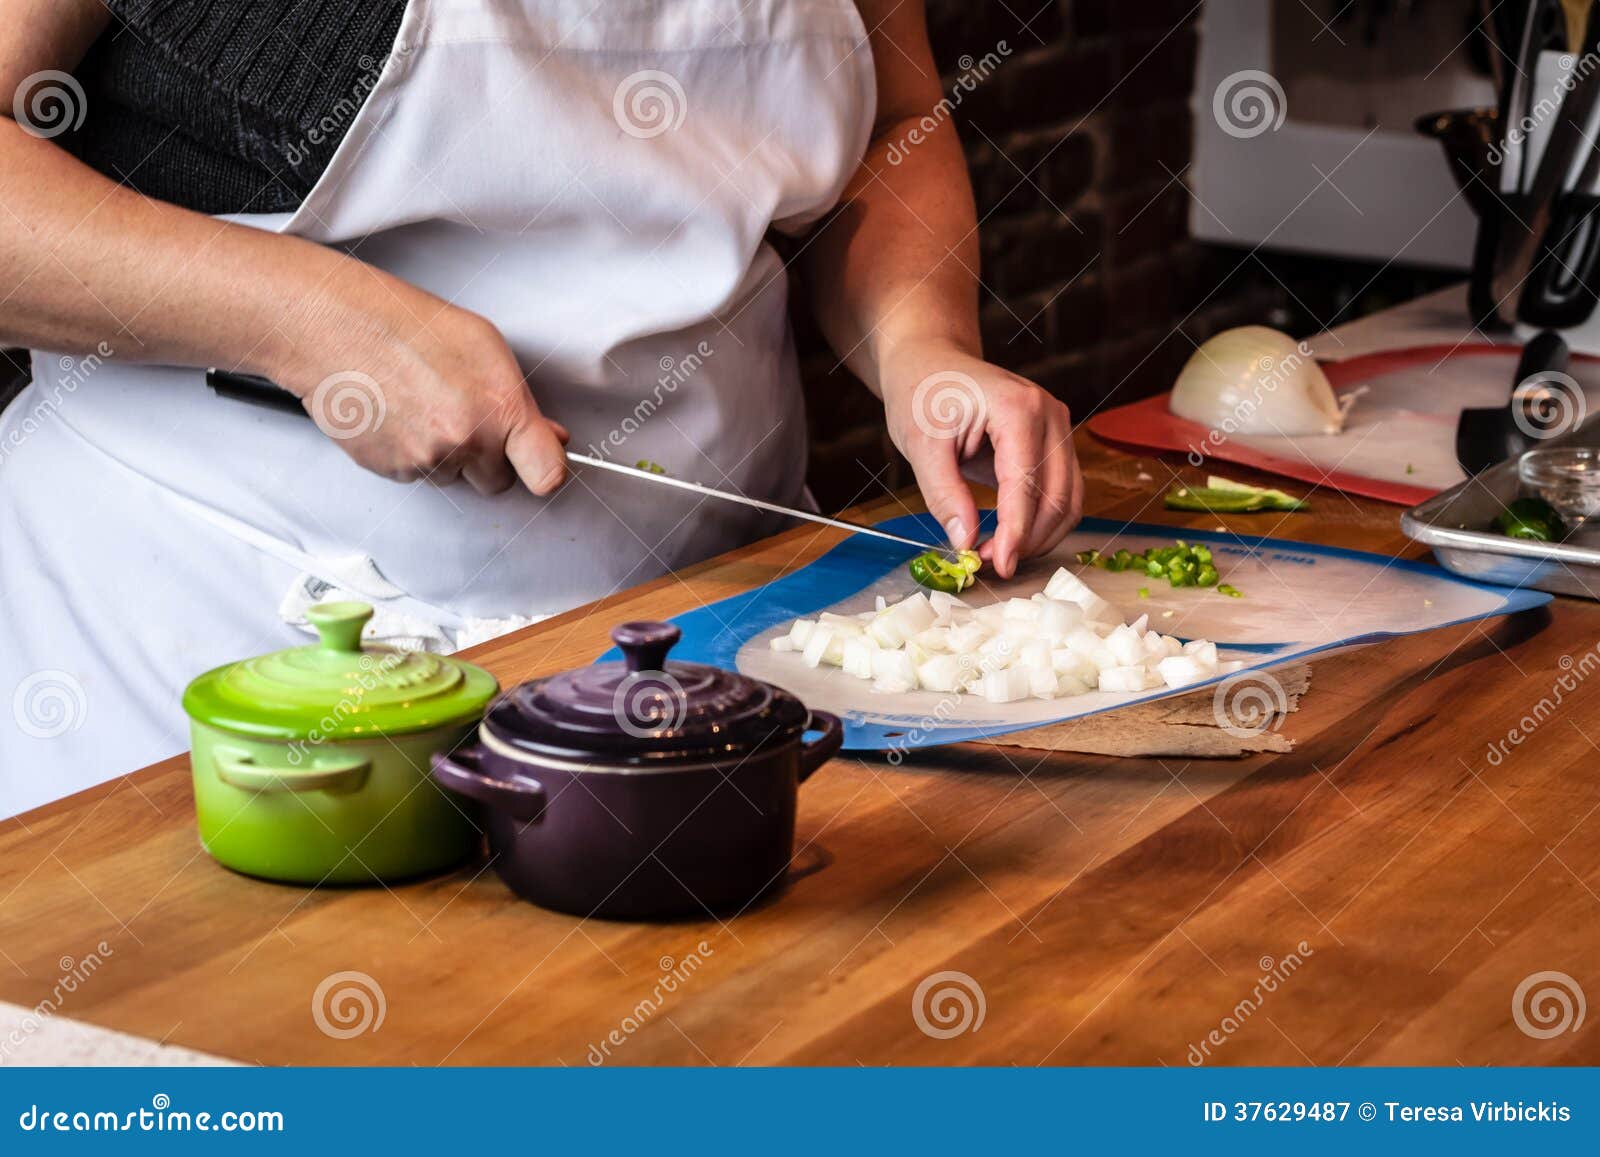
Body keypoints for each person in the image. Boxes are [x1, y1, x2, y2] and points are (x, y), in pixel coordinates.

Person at [0, 0, 1081, 817]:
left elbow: (893, 125)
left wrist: (922, 347)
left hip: (723, 629)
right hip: (215, 639)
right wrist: (310, 321)